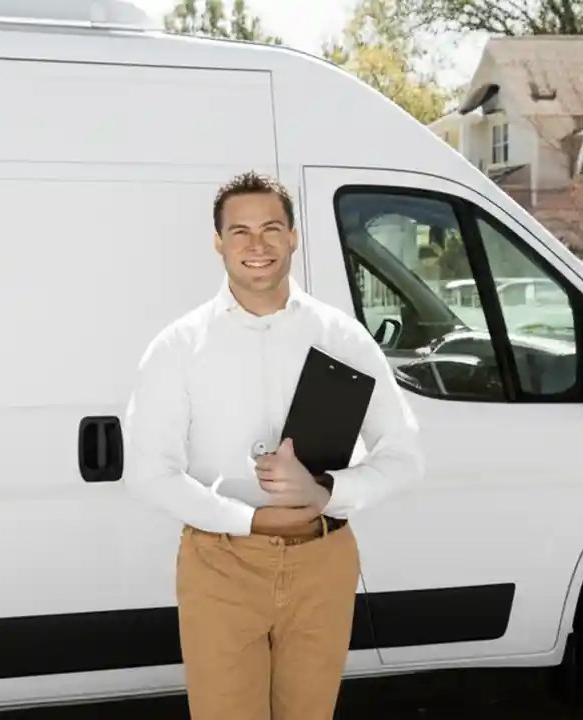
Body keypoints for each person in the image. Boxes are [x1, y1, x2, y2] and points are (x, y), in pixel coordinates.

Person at [121, 171, 425, 720]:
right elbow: (149, 472)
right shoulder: (178, 347)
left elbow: (405, 457)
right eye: (239, 231)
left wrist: (326, 491)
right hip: (221, 565)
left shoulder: (343, 339)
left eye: (271, 228)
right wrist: (249, 521)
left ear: (293, 237)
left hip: (323, 562)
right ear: (218, 242)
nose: (256, 245)